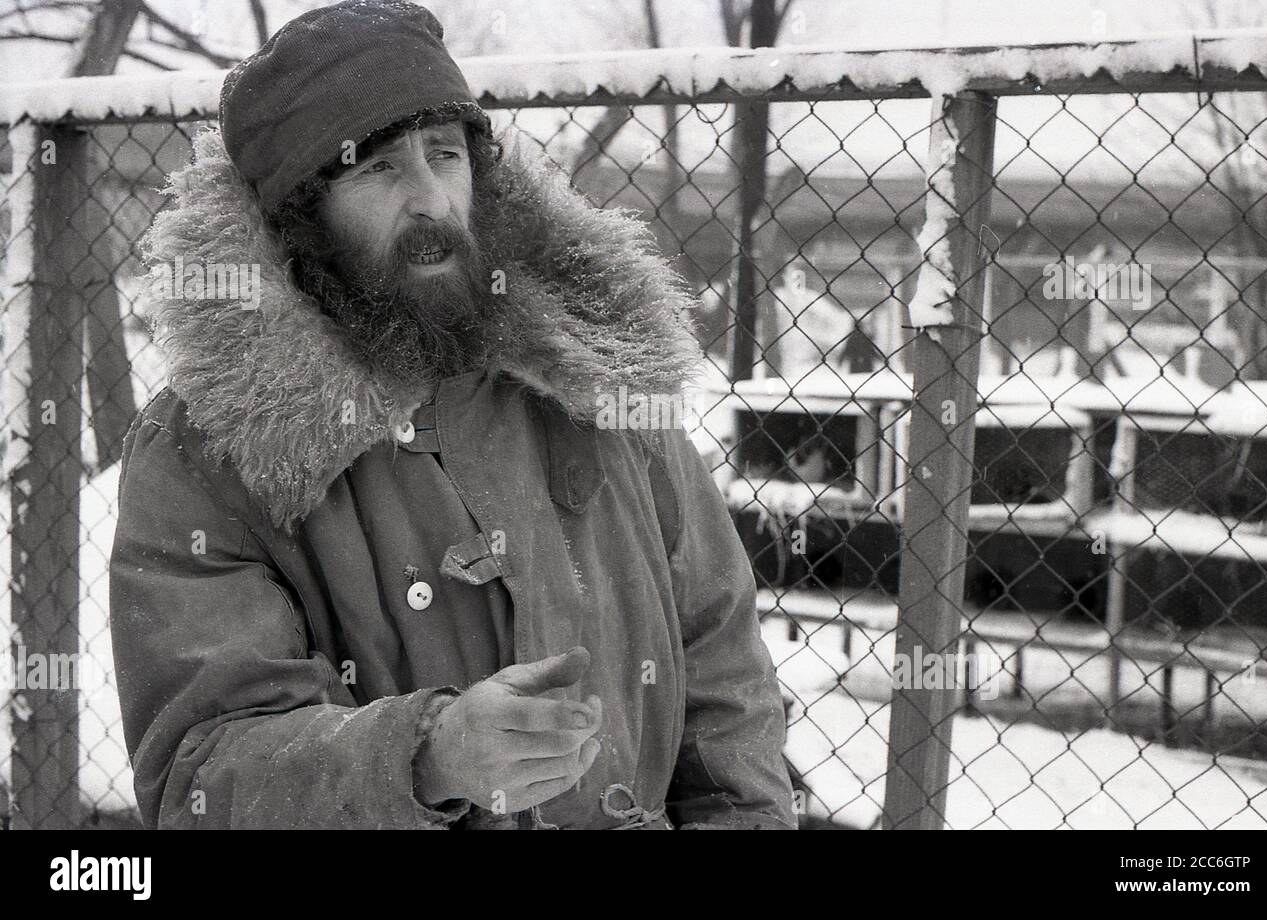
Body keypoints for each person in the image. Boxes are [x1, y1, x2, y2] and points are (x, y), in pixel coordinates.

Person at [109, 0, 795, 830]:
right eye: (380, 169)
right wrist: (426, 757)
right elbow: (199, 775)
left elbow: (726, 681)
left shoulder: (596, 380)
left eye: (446, 154)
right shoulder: (205, 452)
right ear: (298, 215)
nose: (432, 198)